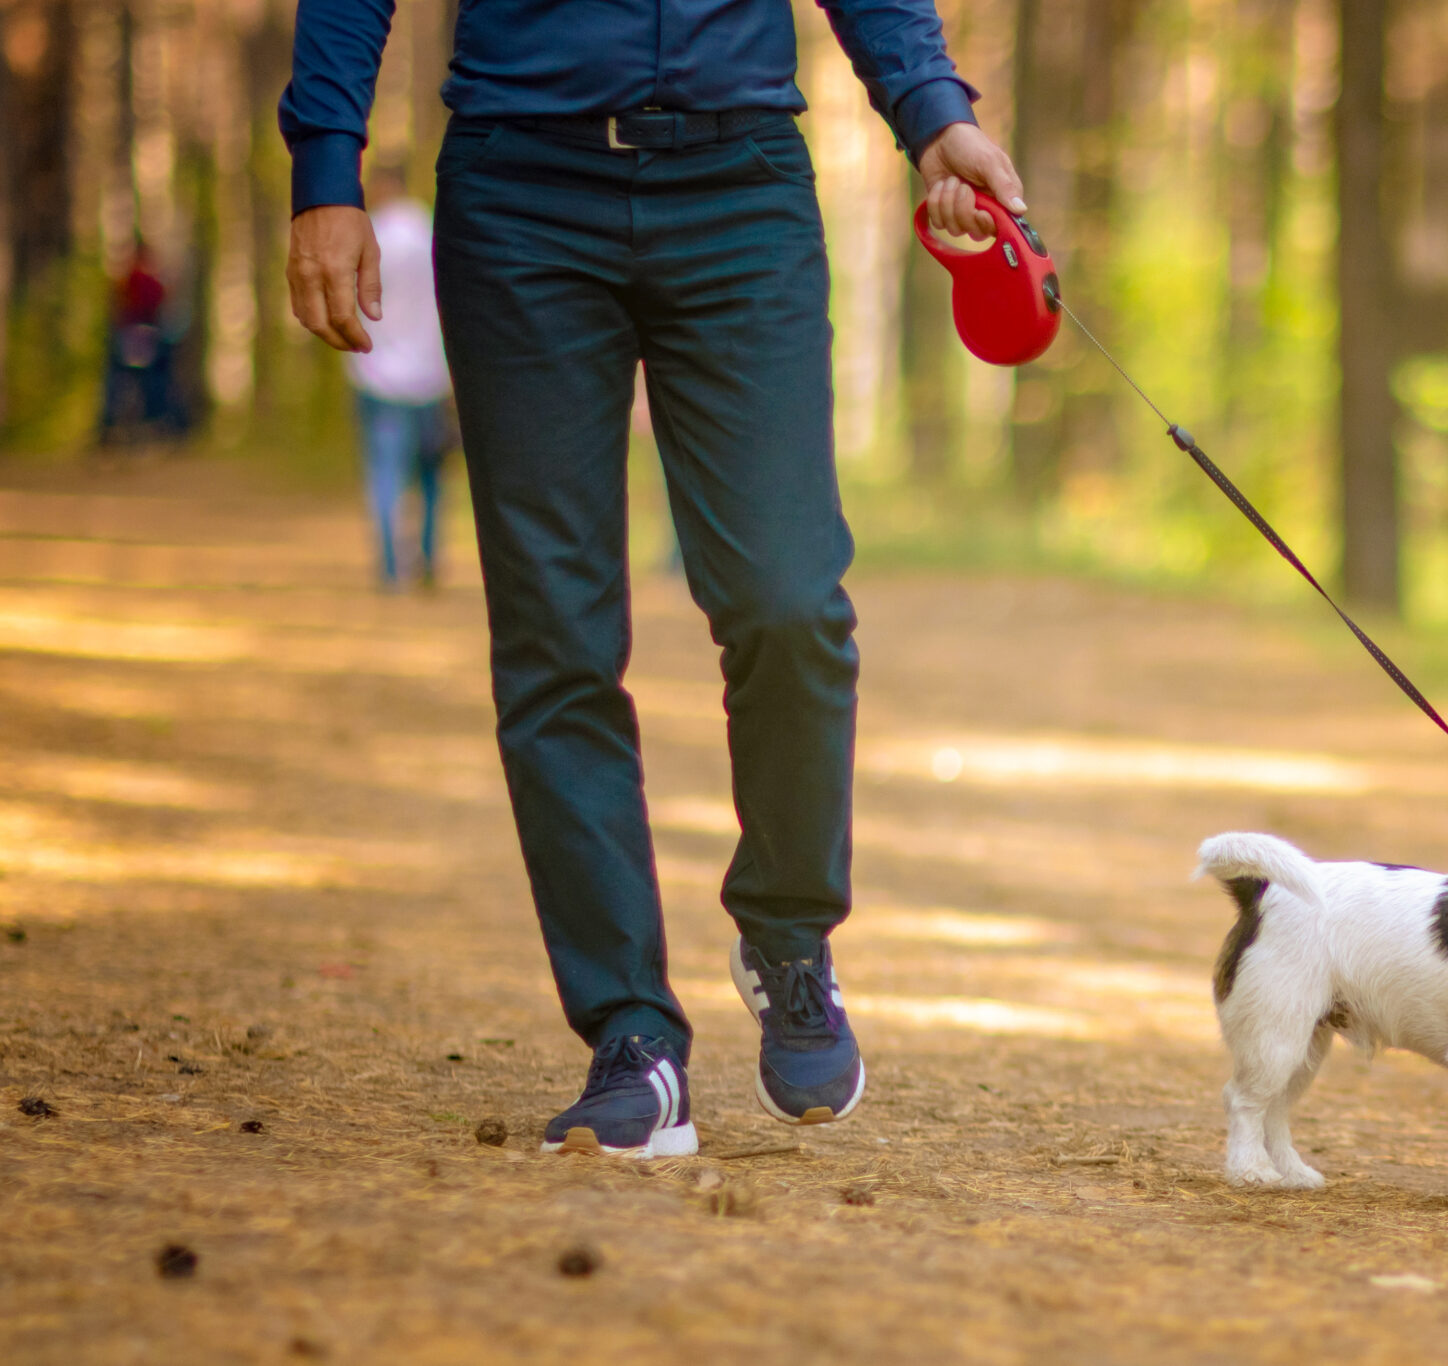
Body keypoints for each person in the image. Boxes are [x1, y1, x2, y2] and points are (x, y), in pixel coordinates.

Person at [279, 1, 1025, 1157]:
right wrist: (326, 166)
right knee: (556, 637)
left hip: (737, 185)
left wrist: (930, 111)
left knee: (788, 599)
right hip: (519, 188)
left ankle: (785, 934)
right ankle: (631, 1035)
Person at [346, 165, 454, 590]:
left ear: (381, 186)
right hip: (430, 377)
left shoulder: (367, 237)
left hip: (378, 377)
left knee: (385, 473)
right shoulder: (433, 235)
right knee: (430, 476)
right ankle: (428, 558)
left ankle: (392, 567)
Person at [96, 241, 190, 449]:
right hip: (142, 340)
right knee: (144, 383)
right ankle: (141, 427)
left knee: (135, 383)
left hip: (136, 340)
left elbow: (117, 311)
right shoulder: (142, 281)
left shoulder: (129, 281)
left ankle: (118, 428)